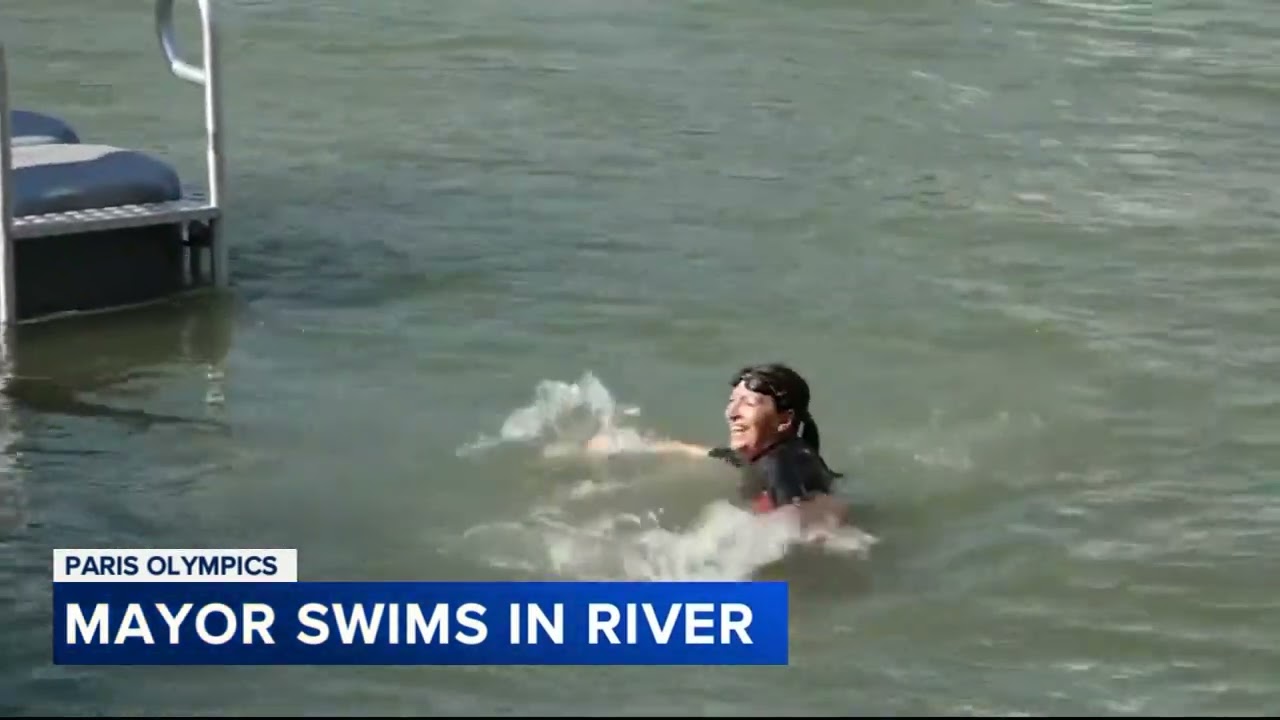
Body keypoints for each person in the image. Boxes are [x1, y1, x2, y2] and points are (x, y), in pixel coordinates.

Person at [587, 362, 850, 527]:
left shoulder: (779, 462)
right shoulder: (774, 452)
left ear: (784, 420)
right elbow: (718, 455)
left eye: (748, 403)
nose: (732, 412)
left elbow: (798, 518)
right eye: (732, 401)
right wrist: (637, 445)